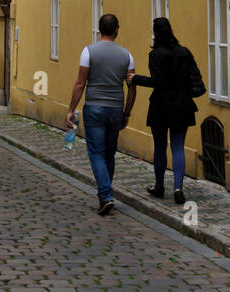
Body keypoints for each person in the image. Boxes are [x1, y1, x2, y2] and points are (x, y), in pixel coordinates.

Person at [66, 13, 136, 216]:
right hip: (115, 108)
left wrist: (71, 108)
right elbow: (132, 87)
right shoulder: (127, 55)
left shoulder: (88, 52)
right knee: (109, 153)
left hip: (95, 107)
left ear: (99, 30)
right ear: (117, 31)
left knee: (96, 152)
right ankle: (105, 193)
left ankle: (105, 195)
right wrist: (127, 112)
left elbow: (80, 83)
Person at [133, 17, 205, 205]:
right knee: (178, 147)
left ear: (155, 33)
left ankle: (159, 186)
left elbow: (158, 82)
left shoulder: (156, 55)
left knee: (160, 146)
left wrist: (135, 79)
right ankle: (178, 188)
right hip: (182, 104)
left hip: (161, 105)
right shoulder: (185, 52)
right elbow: (195, 77)